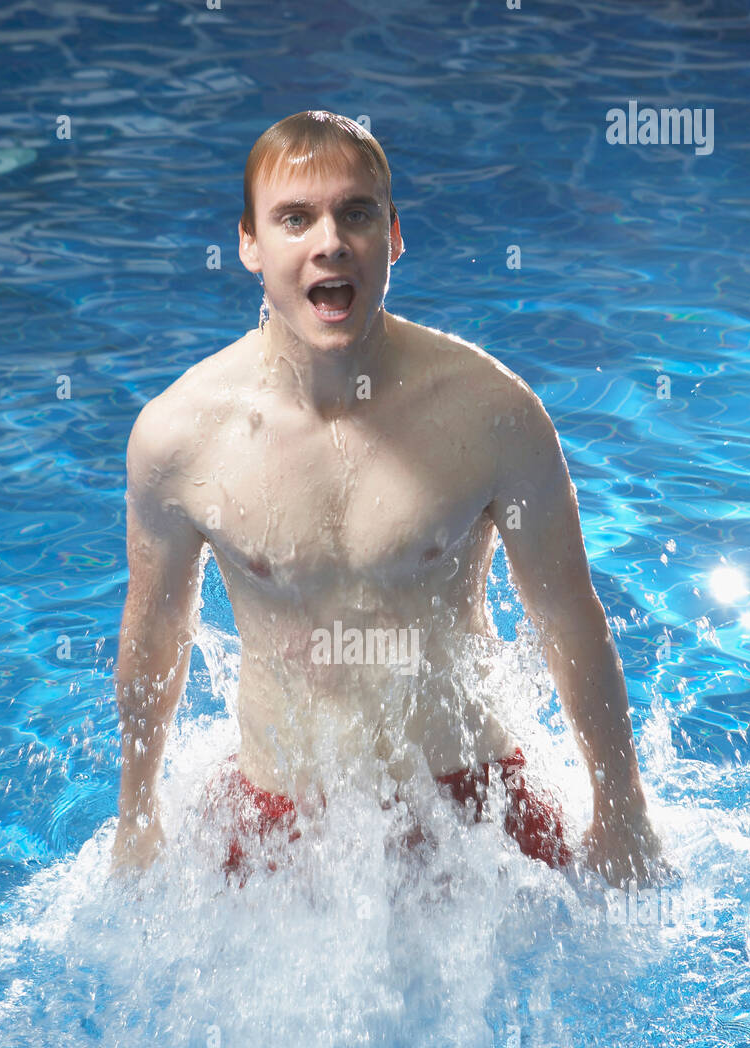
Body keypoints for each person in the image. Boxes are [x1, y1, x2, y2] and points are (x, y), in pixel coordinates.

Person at [111, 110, 664, 888]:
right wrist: (136, 816)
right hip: (278, 816)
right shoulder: (179, 437)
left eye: (356, 213)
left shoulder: (489, 412)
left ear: (393, 237)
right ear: (248, 243)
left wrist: (621, 808)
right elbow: (156, 629)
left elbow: (567, 615)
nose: (328, 241)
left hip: (474, 804)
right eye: (294, 218)